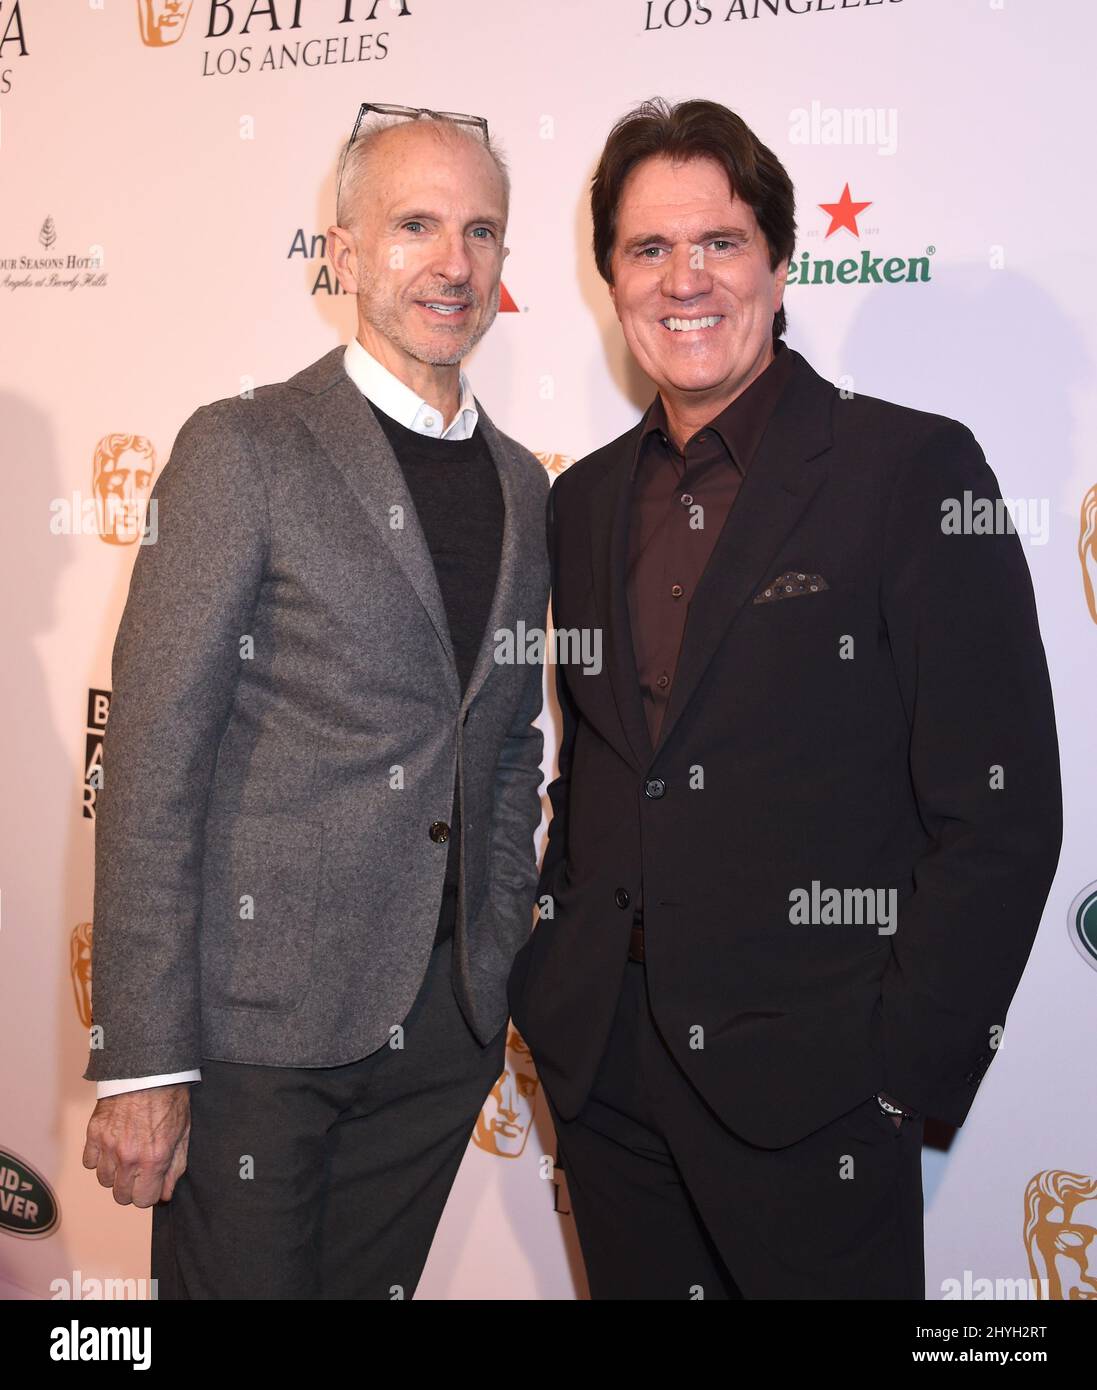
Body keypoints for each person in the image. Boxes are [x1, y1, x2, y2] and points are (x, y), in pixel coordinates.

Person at [509, 97, 1062, 1300]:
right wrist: (553, 983)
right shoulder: (584, 501)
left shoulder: (908, 470)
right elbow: (600, 763)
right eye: (645, 249)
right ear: (608, 278)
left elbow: (999, 811)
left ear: (776, 259)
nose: (682, 280)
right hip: (604, 1075)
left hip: (815, 1096)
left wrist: (897, 1073)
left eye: (717, 241)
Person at [83, 105, 549, 1300]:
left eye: (480, 230)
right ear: (340, 255)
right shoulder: (244, 447)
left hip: (437, 1037)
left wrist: (485, 969)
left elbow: (501, 750)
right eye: (414, 225)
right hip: (255, 1045)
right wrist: (142, 1061)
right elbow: (149, 760)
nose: (453, 260)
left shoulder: (524, 486)